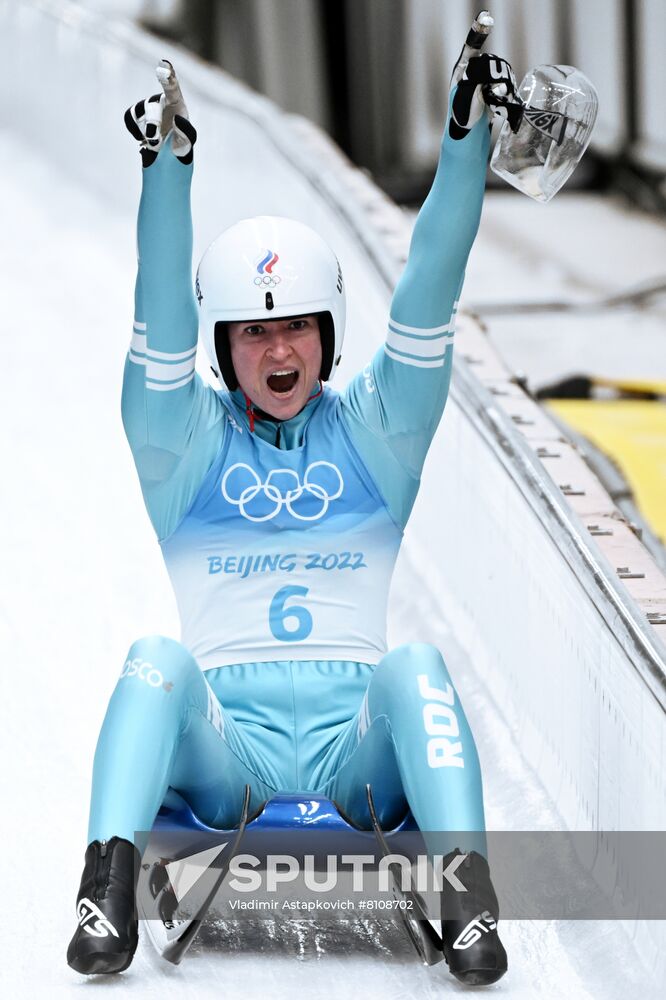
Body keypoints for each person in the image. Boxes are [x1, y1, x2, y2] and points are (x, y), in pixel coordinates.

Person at [67, 40, 523, 984]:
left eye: (297, 327)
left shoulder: (381, 433)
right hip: (227, 762)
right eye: (255, 332)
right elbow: (159, 318)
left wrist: (465, 144)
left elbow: (430, 289)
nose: (279, 352)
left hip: (355, 761)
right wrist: (166, 171)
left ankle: (471, 904)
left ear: (328, 332)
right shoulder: (180, 443)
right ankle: (102, 892)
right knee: (154, 660)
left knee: (418, 666)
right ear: (224, 347)